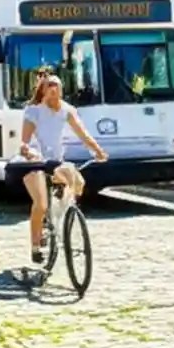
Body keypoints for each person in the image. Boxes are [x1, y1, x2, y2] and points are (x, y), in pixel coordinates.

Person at [11, 75, 108, 265]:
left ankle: (63, 216)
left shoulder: (67, 110)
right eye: (50, 86)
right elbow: (25, 141)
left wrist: (98, 151)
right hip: (33, 163)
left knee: (77, 181)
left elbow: (83, 134)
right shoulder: (34, 111)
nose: (54, 89)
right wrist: (28, 152)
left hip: (55, 162)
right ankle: (36, 246)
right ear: (43, 90)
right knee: (41, 204)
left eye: (57, 86)